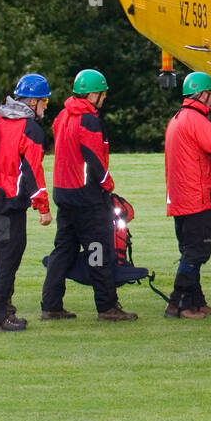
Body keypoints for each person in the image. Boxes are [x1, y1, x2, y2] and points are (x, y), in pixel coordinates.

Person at [41, 69, 137, 322]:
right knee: (99, 250)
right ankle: (106, 307)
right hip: (87, 197)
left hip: (63, 193)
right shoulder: (89, 120)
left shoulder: (62, 116)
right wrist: (108, 184)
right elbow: (94, 158)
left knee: (63, 250)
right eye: (102, 94)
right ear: (93, 94)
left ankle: (50, 304)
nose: (104, 99)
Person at [0, 73, 54, 333]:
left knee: (1, 260)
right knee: (8, 263)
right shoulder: (30, 128)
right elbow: (33, 170)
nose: (45, 107)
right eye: (44, 102)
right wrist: (43, 208)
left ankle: (6, 312)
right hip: (10, 203)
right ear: (33, 102)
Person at [164, 71, 211, 319]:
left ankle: (196, 300)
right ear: (203, 94)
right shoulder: (195, 120)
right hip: (195, 198)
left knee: (190, 251)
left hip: (180, 198)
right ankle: (179, 304)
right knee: (197, 253)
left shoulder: (178, 118)